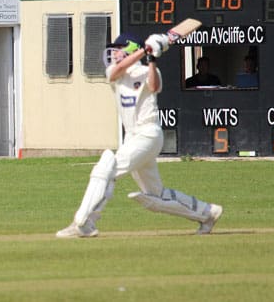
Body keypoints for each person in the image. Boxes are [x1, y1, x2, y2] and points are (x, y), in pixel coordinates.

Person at [56, 32, 223, 238]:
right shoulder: (114, 73)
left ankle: (84, 222)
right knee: (156, 195)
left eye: (119, 49)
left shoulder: (147, 71)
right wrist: (146, 50)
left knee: (106, 169)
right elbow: (115, 71)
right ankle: (207, 213)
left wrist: (151, 59)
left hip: (148, 133)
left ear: (131, 49)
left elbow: (153, 87)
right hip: (133, 138)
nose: (114, 53)